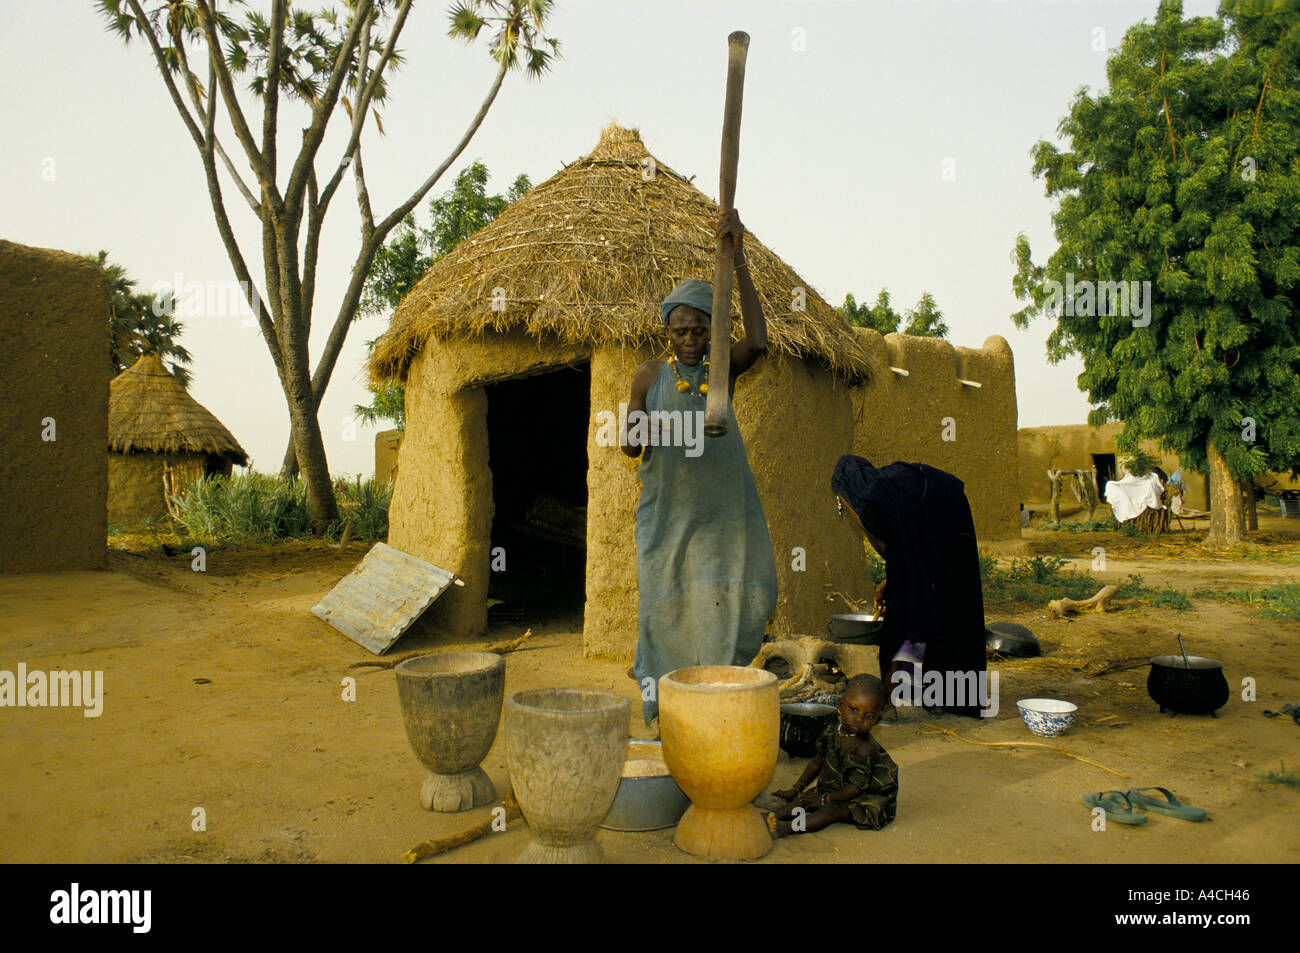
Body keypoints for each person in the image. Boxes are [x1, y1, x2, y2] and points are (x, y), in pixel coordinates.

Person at [621, 210, 778, 726]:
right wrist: (668, 430)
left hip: (721, 520)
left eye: (699, 327)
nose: (689, 337)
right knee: (666, 612)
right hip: (667, 522)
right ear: (667, 331)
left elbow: (758, 340)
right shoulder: (648, 376)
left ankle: (712, 704)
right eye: (680, 328)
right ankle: (670, 711)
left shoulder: (721, 371)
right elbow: (628, 444)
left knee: (728, 601)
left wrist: (740, 260)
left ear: (711, 329)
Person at [831, 454, 987, 718]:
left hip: (951, 526)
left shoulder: (884, 497)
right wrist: (890, 583)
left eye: (841, 501)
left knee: (938, 609)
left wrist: (899, 590)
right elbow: (908, 556)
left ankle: (895, 697)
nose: (842, 507)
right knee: (919, 607)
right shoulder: (881, 498)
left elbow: (912, 562)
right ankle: (929, 692)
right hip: (934, 534)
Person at [766, 674, 898, 836]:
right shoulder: (832, 731)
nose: (858, 719)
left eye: (868, 716)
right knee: (805, 799)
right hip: (836, 790)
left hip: (863, 800)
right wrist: (795, 790)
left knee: (830, 811)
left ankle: (787, 828)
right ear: (841, 705)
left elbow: (855, 788)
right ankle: (769, 817)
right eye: (854, 709)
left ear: (877, 720)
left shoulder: (865, 748)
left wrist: (825, 799)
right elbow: (816, 763)